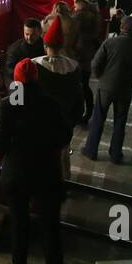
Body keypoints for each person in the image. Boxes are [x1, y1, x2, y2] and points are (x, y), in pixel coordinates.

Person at [0, 58, 74, 264]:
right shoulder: (50, 103)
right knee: (51, 229)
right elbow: (64, 134)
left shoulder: (9, 105)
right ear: (37, 78)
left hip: (17, 174)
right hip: (47, 174)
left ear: (17, 80)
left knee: (20, 224)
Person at [83, 16, 132, 164]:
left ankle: (91, 150)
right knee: (120, 121)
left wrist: (102, 77)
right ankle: (116, 154)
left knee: (99, 117)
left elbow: (95, 63)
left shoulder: (110, 42)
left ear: (121, 27)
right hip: (125, 89)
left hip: (106, 86)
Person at [33, 16, 84, 179]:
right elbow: (79, 99)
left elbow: (20, 96)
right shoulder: (74, 67)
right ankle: (64, 183)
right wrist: (73, 120)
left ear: (45, 45)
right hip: (65, 122)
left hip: (41, 123)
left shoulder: (35, 66)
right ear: (62, 45)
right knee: (63, 155)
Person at [70, 0, 102, 122]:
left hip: (80, 53)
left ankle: (82, 112)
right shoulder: (93, 13)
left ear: (79, 1)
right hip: (89, 53)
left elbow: (70, 30)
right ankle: (88, 111)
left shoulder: (80, 16)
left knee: (80, 85)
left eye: (74, 1)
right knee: (84, 83)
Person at [4, 18, 44, 82]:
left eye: (32, 34)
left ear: (40, 32)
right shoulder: (15, 49)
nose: (29, 38)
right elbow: (9, 69)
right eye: (27, 34)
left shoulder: (46, 47)